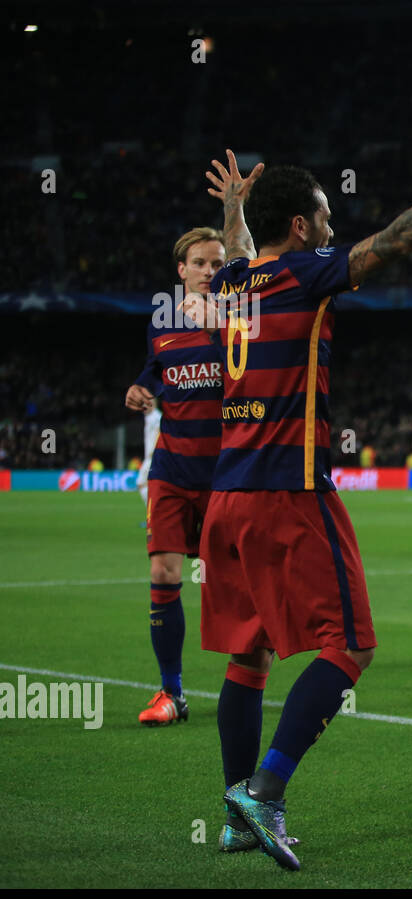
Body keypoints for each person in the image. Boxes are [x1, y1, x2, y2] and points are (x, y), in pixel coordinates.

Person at [200, 102, 412, 869]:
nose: (335, 229)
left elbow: (245, 257)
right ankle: (266, 792)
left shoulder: (237, 283)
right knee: (352, 644)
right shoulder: (308, 273)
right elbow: (400, 240)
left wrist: (239, 213)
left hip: (226, 498)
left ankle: (241, 812)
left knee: (249, 659)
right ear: (302, 228)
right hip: (288, 490)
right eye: (326, 217)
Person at [123, 226, 231, 727]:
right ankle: (171, 693)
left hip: (228, 473)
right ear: (181, 270)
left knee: (232, 583)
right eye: (201, 263)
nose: (210, 271)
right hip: (170, 467)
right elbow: (155, 370)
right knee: (164, 574)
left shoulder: (242, 319)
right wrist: (141, 388)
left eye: (217, 263)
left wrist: (221, 326)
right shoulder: (161, 322)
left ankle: (246, 680)